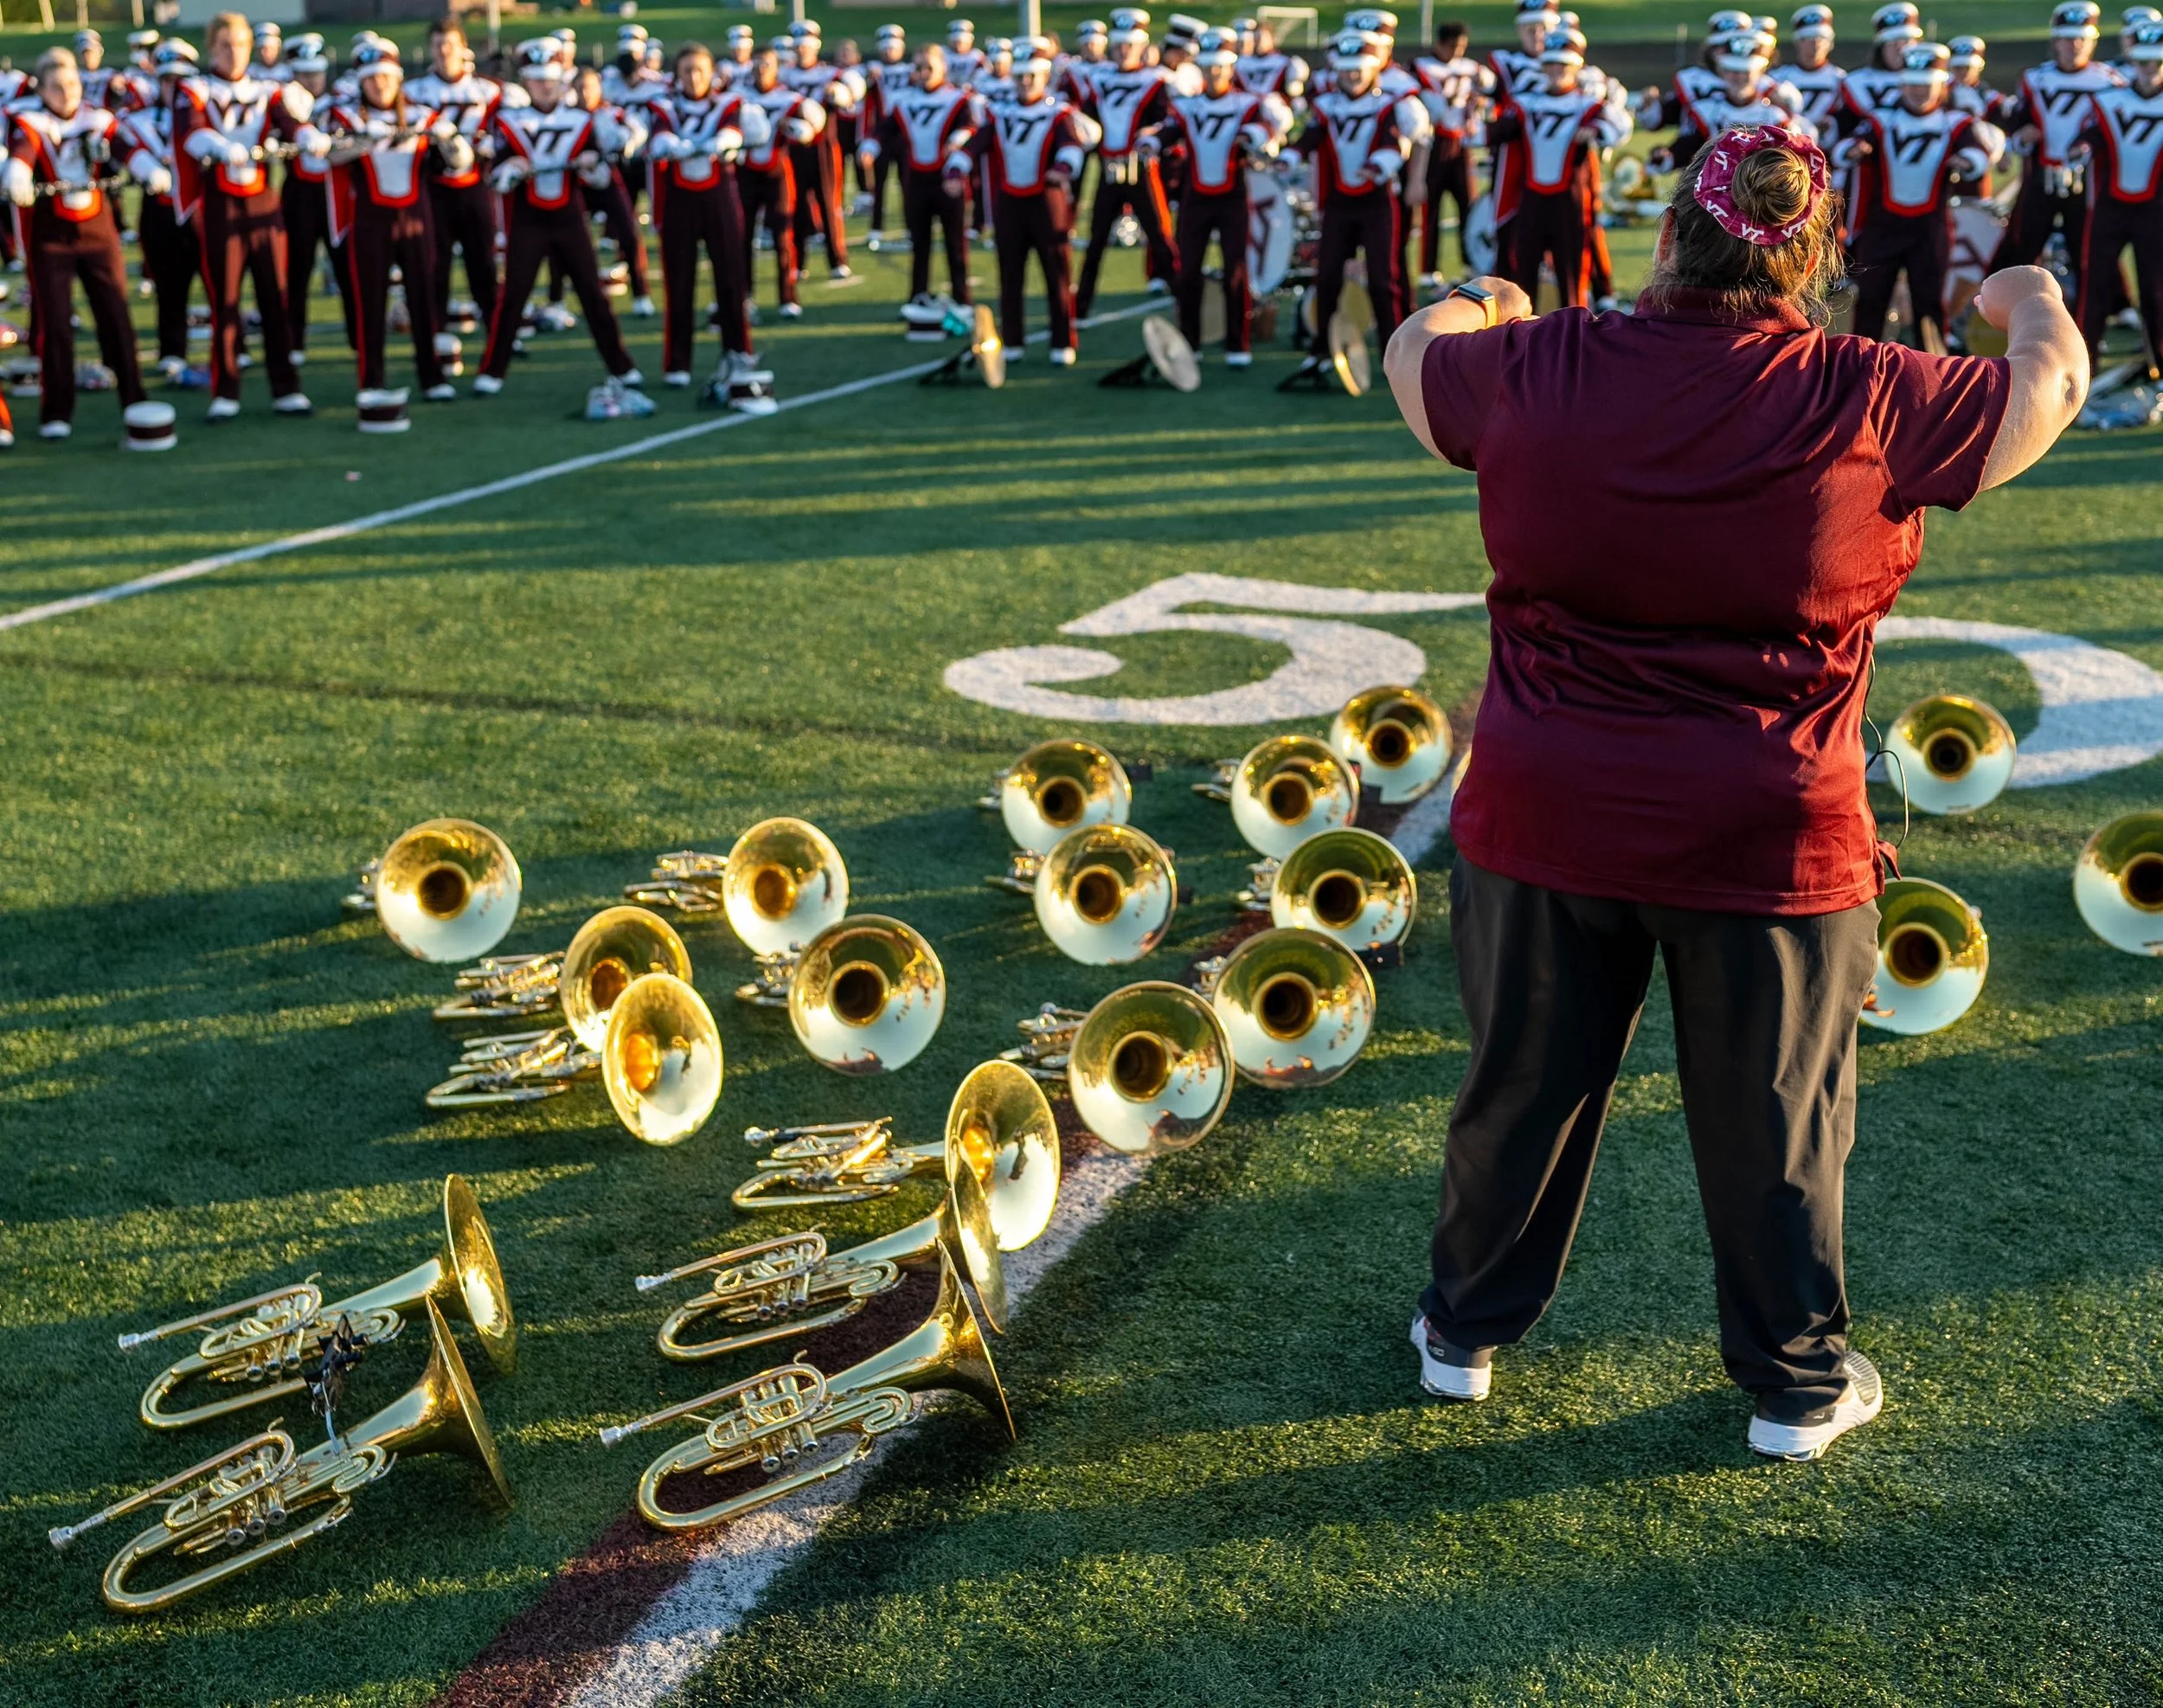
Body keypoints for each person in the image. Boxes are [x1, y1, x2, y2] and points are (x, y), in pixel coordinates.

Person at [1382, 124, 2085, 1462]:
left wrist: (1485, 295)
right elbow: (2048, 387)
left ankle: (1462, 1330)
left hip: (1547, 810)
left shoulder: (1542, 361)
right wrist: (2030, 291)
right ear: (1816, 258)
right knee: (1777, 1120)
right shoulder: (1870, 389)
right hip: (1769, 830)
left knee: (1519, 1089)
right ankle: (1793, 1383)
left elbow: (1415, 356)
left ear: (1671, 234)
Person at [2, 46, 166, 446]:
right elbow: (22, 152)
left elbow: (126, 148)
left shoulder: (97, 117)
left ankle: (134, 399)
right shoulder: (30, 120)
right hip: (51, 238)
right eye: (57, 86)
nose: (68, 93)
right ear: (43, 89)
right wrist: (17, 175)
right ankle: (57, 411)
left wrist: (148, 168)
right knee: (55, 324)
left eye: (73, 84)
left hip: (99, 235)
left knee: (117, 316)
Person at [171, 11, 326, 421]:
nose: (234, 53)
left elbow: (289, 122)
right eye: (225, 45)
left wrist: (307, 135)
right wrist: (220, 146)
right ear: (212, 48)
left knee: (276, 296)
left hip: (263, 203)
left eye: (241, 44)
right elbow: (190, 132)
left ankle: (286, 388)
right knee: (225, 301)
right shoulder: (195, 88)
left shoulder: (267, 88)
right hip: (220, 205)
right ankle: (225, 391)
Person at [476, 39, 646, 407]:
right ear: (526, 81)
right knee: (514, 296)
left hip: (569, 217)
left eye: (550, 79)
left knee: (592, 294)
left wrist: (592, 165)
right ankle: (492, 370)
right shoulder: (509, 120)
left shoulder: (582, 120)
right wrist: (512, 169)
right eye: (537, 80)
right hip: (527, 220)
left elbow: (602, 178)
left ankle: (621, 365)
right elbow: (494, 174)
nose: (545, 86)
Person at [325, 40, 462, 427]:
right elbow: (330, 154)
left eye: (386, 76)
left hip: (417, 218)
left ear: (398, 78)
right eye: (371, 78)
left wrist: (450, 139)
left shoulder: (422, 114)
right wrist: (366, 138)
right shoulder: (348, 116)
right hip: (371, 221)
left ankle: (432, 376)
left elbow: (457, 162)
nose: (379, 84)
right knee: (370, 303)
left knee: (424, 298)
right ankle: (371, 379)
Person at [1839, 42, 2005, 347]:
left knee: (1930, 304)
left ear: (1941, 85)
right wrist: (1854, 150)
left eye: (1926, 85)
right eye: (1912, 84)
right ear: (1902, 84)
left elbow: (1979, 153)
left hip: (1930, 229)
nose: (1919, 92)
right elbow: (1846, 146)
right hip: (1882, 227)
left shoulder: (1955, 122)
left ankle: (1932, 367)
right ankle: (1859, 365)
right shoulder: (1881, 119)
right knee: (1871, 300)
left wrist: (1968, 161)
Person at [1145, 27, 1288, 363]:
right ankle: (1190, 342)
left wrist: (1253, 136)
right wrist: (1151, 141)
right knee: (1188, 272)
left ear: (1231, 68)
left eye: (1220, 67)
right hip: (1195, 198)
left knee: (1235, 272)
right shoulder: (1188, 105)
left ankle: (1238, 345)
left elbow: (1266, 128)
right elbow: (1170, 131)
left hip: (1233, 198)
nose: (1214, 73)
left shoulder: (1246, 103)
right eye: (1208, 67)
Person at [946, 43, 1094, 361]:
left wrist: (1063, 167)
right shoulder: (999, 113)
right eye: (1020, 77)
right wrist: (957, 169)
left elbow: (1072, 145)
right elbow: (975, 144)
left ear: (1044, 77)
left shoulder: (1058, 112)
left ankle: (1063, 342)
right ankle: (1013, 340)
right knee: (1009, 276)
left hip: (1047, 202)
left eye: (1031, 76)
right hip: (1010, 203)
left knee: (1057, 274)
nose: (1025, 82)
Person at [646, 41, 775, 406]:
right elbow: (658, 135)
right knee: (679, 283)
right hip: (679, 203)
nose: (694, 77)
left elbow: (740, 131)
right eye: (687, 70)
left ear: (712, 74)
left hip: (720, 200)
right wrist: (669, 144)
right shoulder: (664, 106)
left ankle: (738, 351)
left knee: (732, 280)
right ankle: (677, 363)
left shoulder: (729, 104)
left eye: (700, 70)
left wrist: (726, 140)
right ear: (677, 75)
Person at [1292, 29, 1424, 371]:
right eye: (1346, 69)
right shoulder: (1326, 105)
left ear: (1372, 69)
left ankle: (1393, 353)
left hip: (1377, 203)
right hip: (1339, 203)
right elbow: (1309, 137)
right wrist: (1289, 157)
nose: (1352, 76)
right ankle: (1320, 349)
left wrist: (1378, 166)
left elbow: (1395, 143)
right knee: (1327, 278)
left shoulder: (1388, 104)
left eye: (1358, 69)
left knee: (1383, 281)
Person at [1482, 35, 1632, 309]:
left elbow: (1621, 128)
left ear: (1576, 67)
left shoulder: (1588, 104)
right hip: (1531, 199)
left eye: (1562, 65)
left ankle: (1574, 330)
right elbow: (1492, 132)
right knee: (1523, 276)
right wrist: (1476, 123)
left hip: (1571, 201)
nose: (1556, 70)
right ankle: (1522, 331)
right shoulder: (1526, 103)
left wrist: (1597, 130)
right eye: (1550, 64)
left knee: (1572, 275)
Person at [1989, 2, 2125, 292]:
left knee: (2090, 251)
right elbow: (2016, 125)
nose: (2074, 45)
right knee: (2021, 244)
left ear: (2093, 42)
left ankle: (2102, 311)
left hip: (2088, 184)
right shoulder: (2034, 79)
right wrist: (2023, 136)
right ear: (2055, 42)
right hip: (2040, 179)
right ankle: (2002, 302)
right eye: (2067, 38)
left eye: (2081, 38)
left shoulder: (2110, 81)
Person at [408, 21, 510, 363]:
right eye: (438, 44)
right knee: (435, 266)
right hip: (434, 189)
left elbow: (507, 132)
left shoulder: (489, 90)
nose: (443, 51)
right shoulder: (415, 91)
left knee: (484, 264)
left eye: (449, 43)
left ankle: (498, 334)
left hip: (474, 187)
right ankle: (435, 337)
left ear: (464, 47)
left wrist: (490, 148)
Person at [861, 42, 979, 325]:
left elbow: (972, 126)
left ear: (943, 68)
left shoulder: (958, 98)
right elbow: (884, 128)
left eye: (929, 67)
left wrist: (959, 139)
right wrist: (871, 145)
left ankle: (962, 299)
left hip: (948, 180)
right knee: (919, 243)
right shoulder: (904, 100)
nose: (923, 73)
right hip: (916, 180)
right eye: (918, 68)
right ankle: (918, 295)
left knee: (955, 243)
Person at [1075, 8, 1179, 318]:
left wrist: (1153, 132)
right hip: (1108, 170)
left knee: (1160, 238)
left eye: (1129, 45)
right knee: (1095, 242)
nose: (1123, 51)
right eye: (1119, 44)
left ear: (1142, 46)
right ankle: (1079, 309)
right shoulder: (1099, 78)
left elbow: (1169, 120)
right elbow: (1085, 116)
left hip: (1141, 169)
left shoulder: (1156, 80)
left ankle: (1186, 303)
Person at [2075, 17, 2163, 363]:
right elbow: (2090, 135)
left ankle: (2158, 364)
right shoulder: (2108, 99)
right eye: (2143, 61)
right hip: (2109, 208)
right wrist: (2080, 147)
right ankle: (2084, 363)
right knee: (2095, 286)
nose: (2149, 68)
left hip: (2156, 210)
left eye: (2156, 61)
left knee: (2156, 290)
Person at [119, 40, 202, 383]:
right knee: (169, 286)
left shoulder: (206, 114)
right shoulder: (136, 119)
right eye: (167, 80)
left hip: (199, 209)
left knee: (218, 282)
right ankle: (172, 352)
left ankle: (234, 349)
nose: (174, 87)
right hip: (160, 213)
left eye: (181, 80)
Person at [738, 42, 825, 320]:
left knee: (783, 236)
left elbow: (813, 128)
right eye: (757, 64)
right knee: (742, 237)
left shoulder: (790, 99)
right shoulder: (738, 97)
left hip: (777, 172)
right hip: (745, 173)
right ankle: (745, 297)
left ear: (777, 68)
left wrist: (797, 129)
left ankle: (788, 296)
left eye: (767, 64)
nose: (761, 70)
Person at [278, 35, 342, 366]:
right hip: (299, 192)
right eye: (305, 74)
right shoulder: (284, 102)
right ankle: (294, 341)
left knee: (346, 267)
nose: (313, 80)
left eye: (317, 73)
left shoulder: (340, 100)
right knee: (298, 269)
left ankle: (358, 337)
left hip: (334, 193)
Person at [1414, 22, 1492, 286]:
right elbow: (1430, 104)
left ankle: (1471, 263)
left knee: (1469, 206)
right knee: (1431, 209)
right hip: (1434, 144)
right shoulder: (1422, 67)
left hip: (1462, 144)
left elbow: (1489, 84)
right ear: (1439, 44)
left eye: (1461, 47)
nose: (1457, 52)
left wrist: (1479, 99)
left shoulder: (1470, 67)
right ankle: (1428, 270)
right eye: (1452, 47)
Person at [860, 24, 914, 245]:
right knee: (879, 184)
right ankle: (876, 228)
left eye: (893, 48)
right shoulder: (873, 71)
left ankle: (911, 227)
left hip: (905, 134)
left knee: (907, 184)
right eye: (885, 49)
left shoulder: (911, 70)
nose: (889, 52)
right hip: (882, 134)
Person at [1779, 4, 1848, 133]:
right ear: (1797, 42)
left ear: (1831, 42)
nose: (1816, 43)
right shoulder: (1778, 78)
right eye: (1808, 38)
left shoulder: (1841, 79)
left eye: (1822, 38)